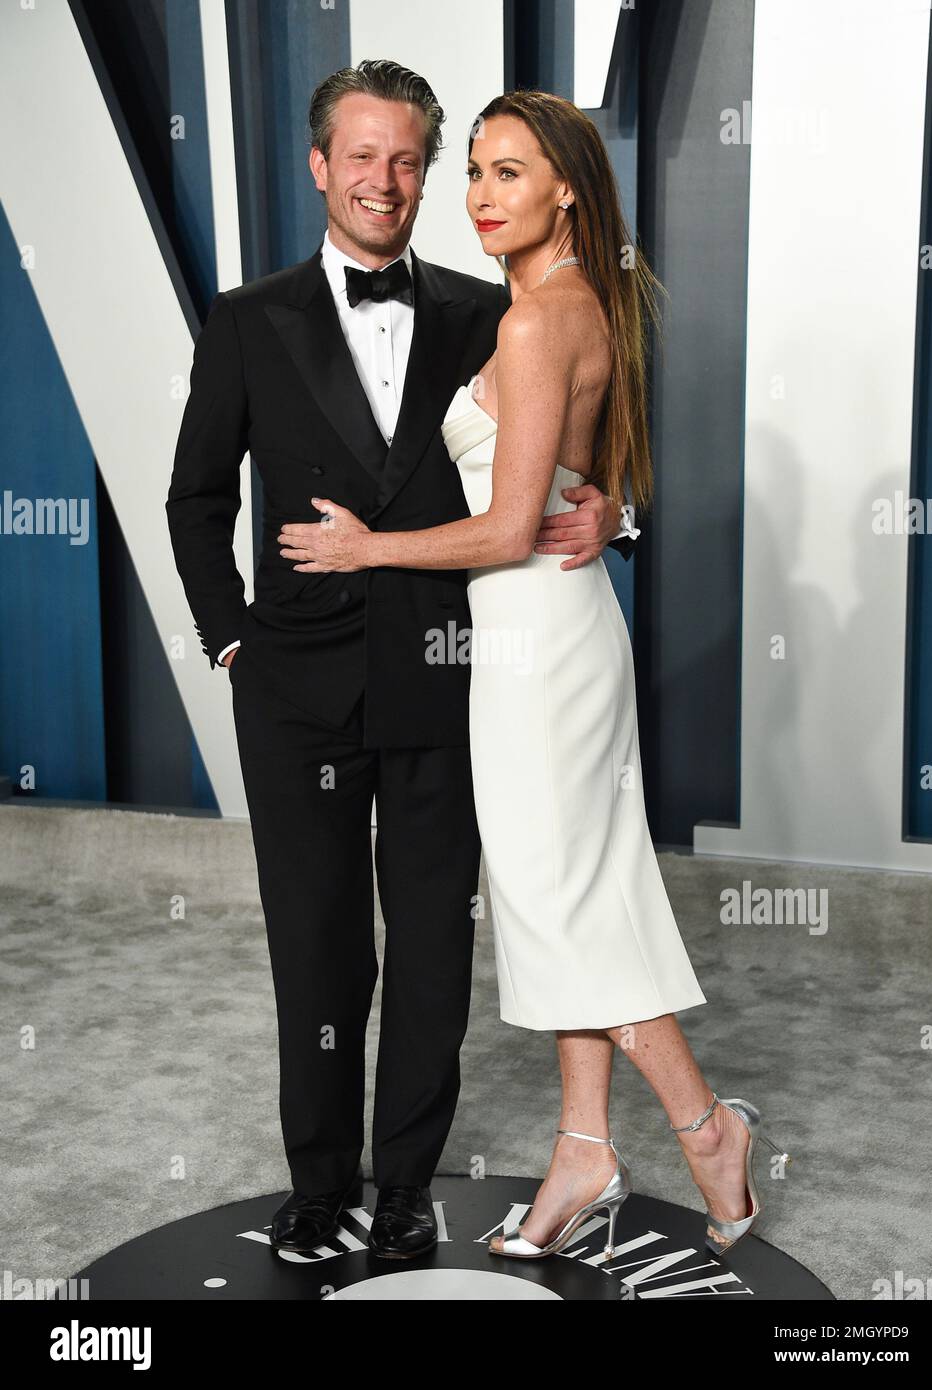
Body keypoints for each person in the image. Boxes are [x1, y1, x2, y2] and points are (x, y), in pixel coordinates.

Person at [285, 89, 792, 1261]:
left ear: (565, 187)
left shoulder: (533, 321)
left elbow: (512, 524)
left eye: (506, 173)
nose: (476, 196)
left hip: (534, 635)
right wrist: (602, 504)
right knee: (561, 891)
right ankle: (582, 1147)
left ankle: (704, 1127)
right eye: (470, 171)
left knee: (558, 899)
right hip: (536, 634)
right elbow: (576, 481)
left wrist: (366, 545)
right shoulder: (560, 309)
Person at [166, 60, 632, 1261]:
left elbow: (585, 422)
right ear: (319, 165)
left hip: (451, 679)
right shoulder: (244, 318)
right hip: (295, 694)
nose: (387, 180)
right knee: (315, 944)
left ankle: (407, 1185)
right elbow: (194, 494)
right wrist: (230, 639)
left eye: (409, 159)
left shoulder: (495, 310)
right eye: (362, 156)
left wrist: (615, 510)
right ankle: (319, 1183)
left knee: (432, 948)